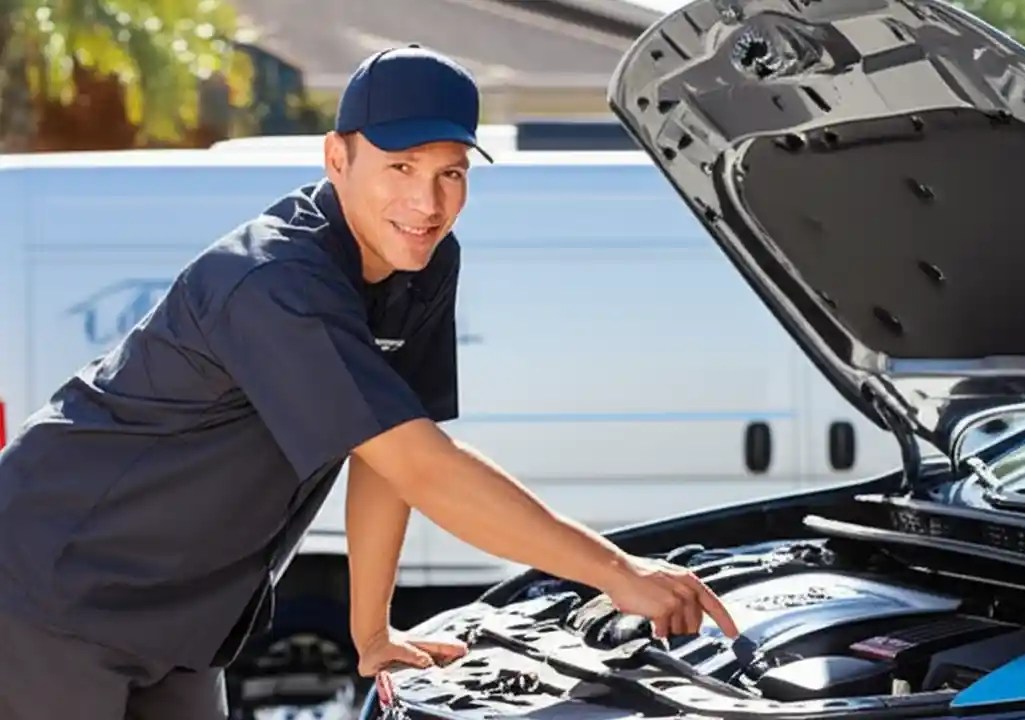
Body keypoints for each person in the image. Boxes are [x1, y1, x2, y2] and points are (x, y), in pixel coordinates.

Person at [0, 45, 739, 719]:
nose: (428, 203)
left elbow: (389, 454)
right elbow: (427, 469)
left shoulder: (421, 265)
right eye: (402, 167)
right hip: (51, 587)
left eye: (450, 172)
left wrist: (372, 630)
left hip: (182, 615)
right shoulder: (273, 283)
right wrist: (615, 572)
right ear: (336, 158)